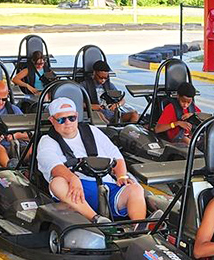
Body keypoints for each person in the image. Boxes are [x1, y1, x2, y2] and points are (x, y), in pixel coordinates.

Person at [37, 96, 147, 225]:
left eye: (71, 118)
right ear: (52, 120)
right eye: (61, 119)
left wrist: (121, 175)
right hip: (76, 191)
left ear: (77, 116)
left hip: (106, 185)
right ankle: (96, 219)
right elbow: (53, 166)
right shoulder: (47, 141)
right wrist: (73, 179)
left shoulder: (92, 131)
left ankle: (139, 227)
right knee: (57, 182)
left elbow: (116, 155)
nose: (68, 122)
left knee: (135, 188)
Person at [83, 60, 139, 125]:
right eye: (100, 78)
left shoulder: (109, 85)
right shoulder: (84, 85)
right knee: (100, 117)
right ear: (94, 73)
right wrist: (91, 106)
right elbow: (78, 103)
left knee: (134, 115)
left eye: (105, 78)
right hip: (97, 114)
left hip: (112, 114)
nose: (103, 80)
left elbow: (122, 100)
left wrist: (117, 105)